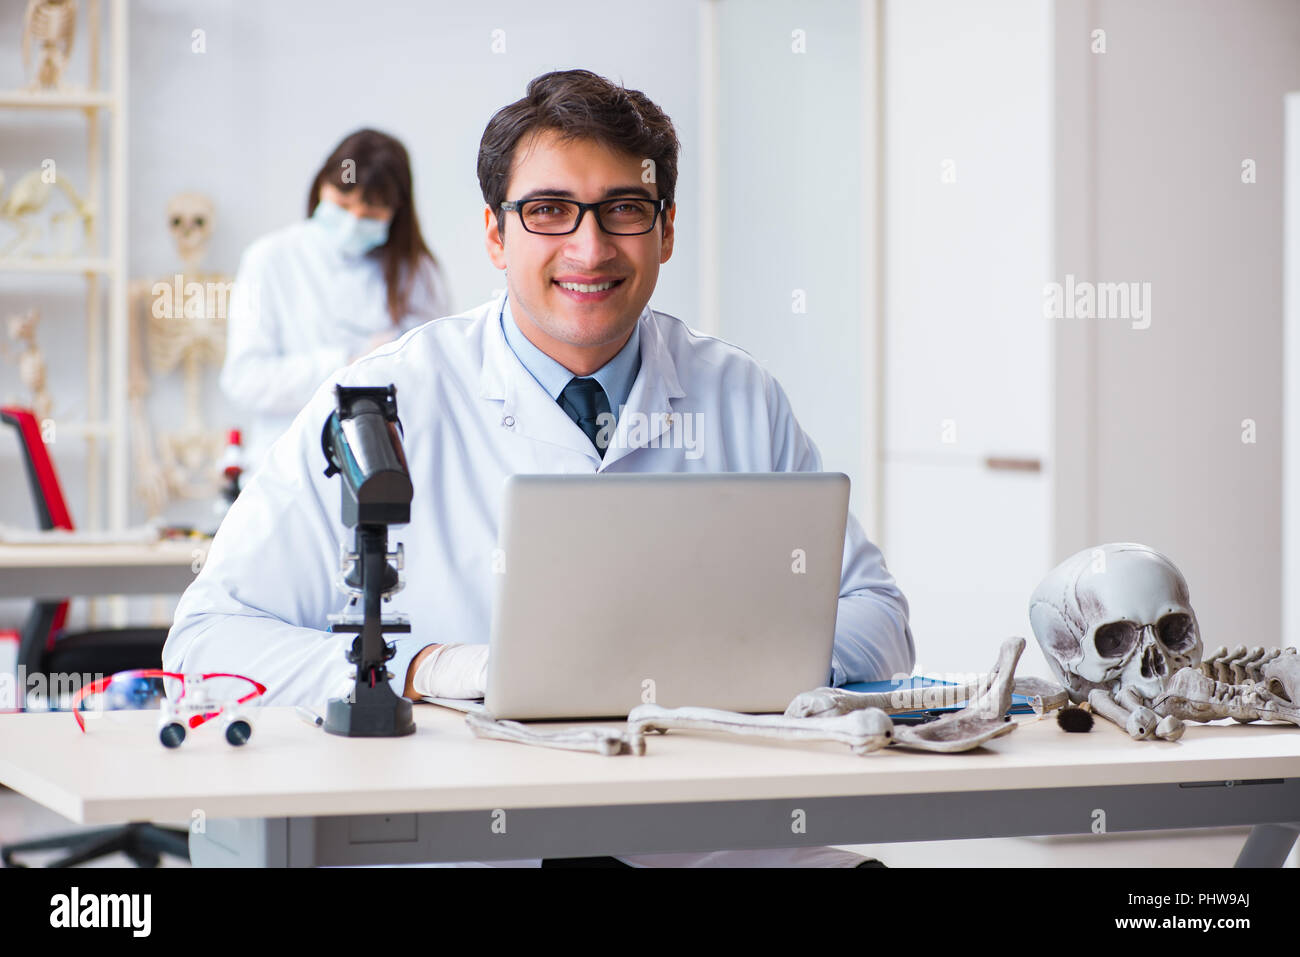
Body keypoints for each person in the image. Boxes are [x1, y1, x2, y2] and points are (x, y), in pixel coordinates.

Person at [167, 70, 914, 867]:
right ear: (494, 234)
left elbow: (878, 613)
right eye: (548, 211)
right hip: (456, 844)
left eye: (625, 209)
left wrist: (764, 666)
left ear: (665, 231)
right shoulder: (385, 398)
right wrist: (420, 670)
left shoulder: (738, 395)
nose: (589, 248)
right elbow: (206, 640)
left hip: (699, 838)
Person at [219, 128, 452, 471]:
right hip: (287, 464)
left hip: (386, 463)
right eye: (343, 204)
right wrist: (350, 363)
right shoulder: (270, 259)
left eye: (370, 214)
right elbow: (245, 379)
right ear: (320, 187)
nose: (352, 221)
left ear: (396, 211)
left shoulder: (416, 272)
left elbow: (437, 374)